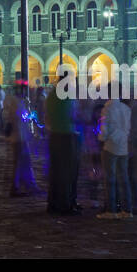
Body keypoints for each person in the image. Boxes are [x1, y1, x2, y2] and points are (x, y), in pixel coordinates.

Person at [44, 68, 80, 215]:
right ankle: (66, 204)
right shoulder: (68, 94)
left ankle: (53, 203)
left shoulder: (51, 95)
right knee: (68, 172)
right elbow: (74, 115)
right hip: (67, 136)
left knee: (56, 171)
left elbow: (46, 115)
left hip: (54, 135)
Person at [98, 95, 132, 218]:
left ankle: (111, 210)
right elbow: (128, 127)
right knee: (124, 179)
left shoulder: (107, 108)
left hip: (110, 147)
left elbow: (104, 128)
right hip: (123, 147)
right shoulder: (126, 108)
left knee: (110, 180)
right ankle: (127, 210)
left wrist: (101, 138)